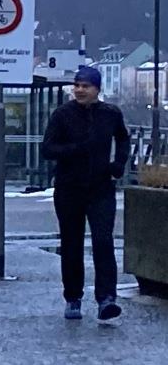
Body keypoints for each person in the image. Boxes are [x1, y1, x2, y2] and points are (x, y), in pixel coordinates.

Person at [41, 66, 129, 322]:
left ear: (97, 89)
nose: (79, 90)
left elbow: (123, 138)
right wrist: (76, 149)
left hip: (101, 187)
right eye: (76, 85)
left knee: (103, 241)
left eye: (85, 86)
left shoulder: (110, 114)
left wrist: (119, 164)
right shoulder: (63, 115)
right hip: (69, 188)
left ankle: (106, 299)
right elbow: (48, 148)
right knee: (71, 243)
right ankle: (73, 297)